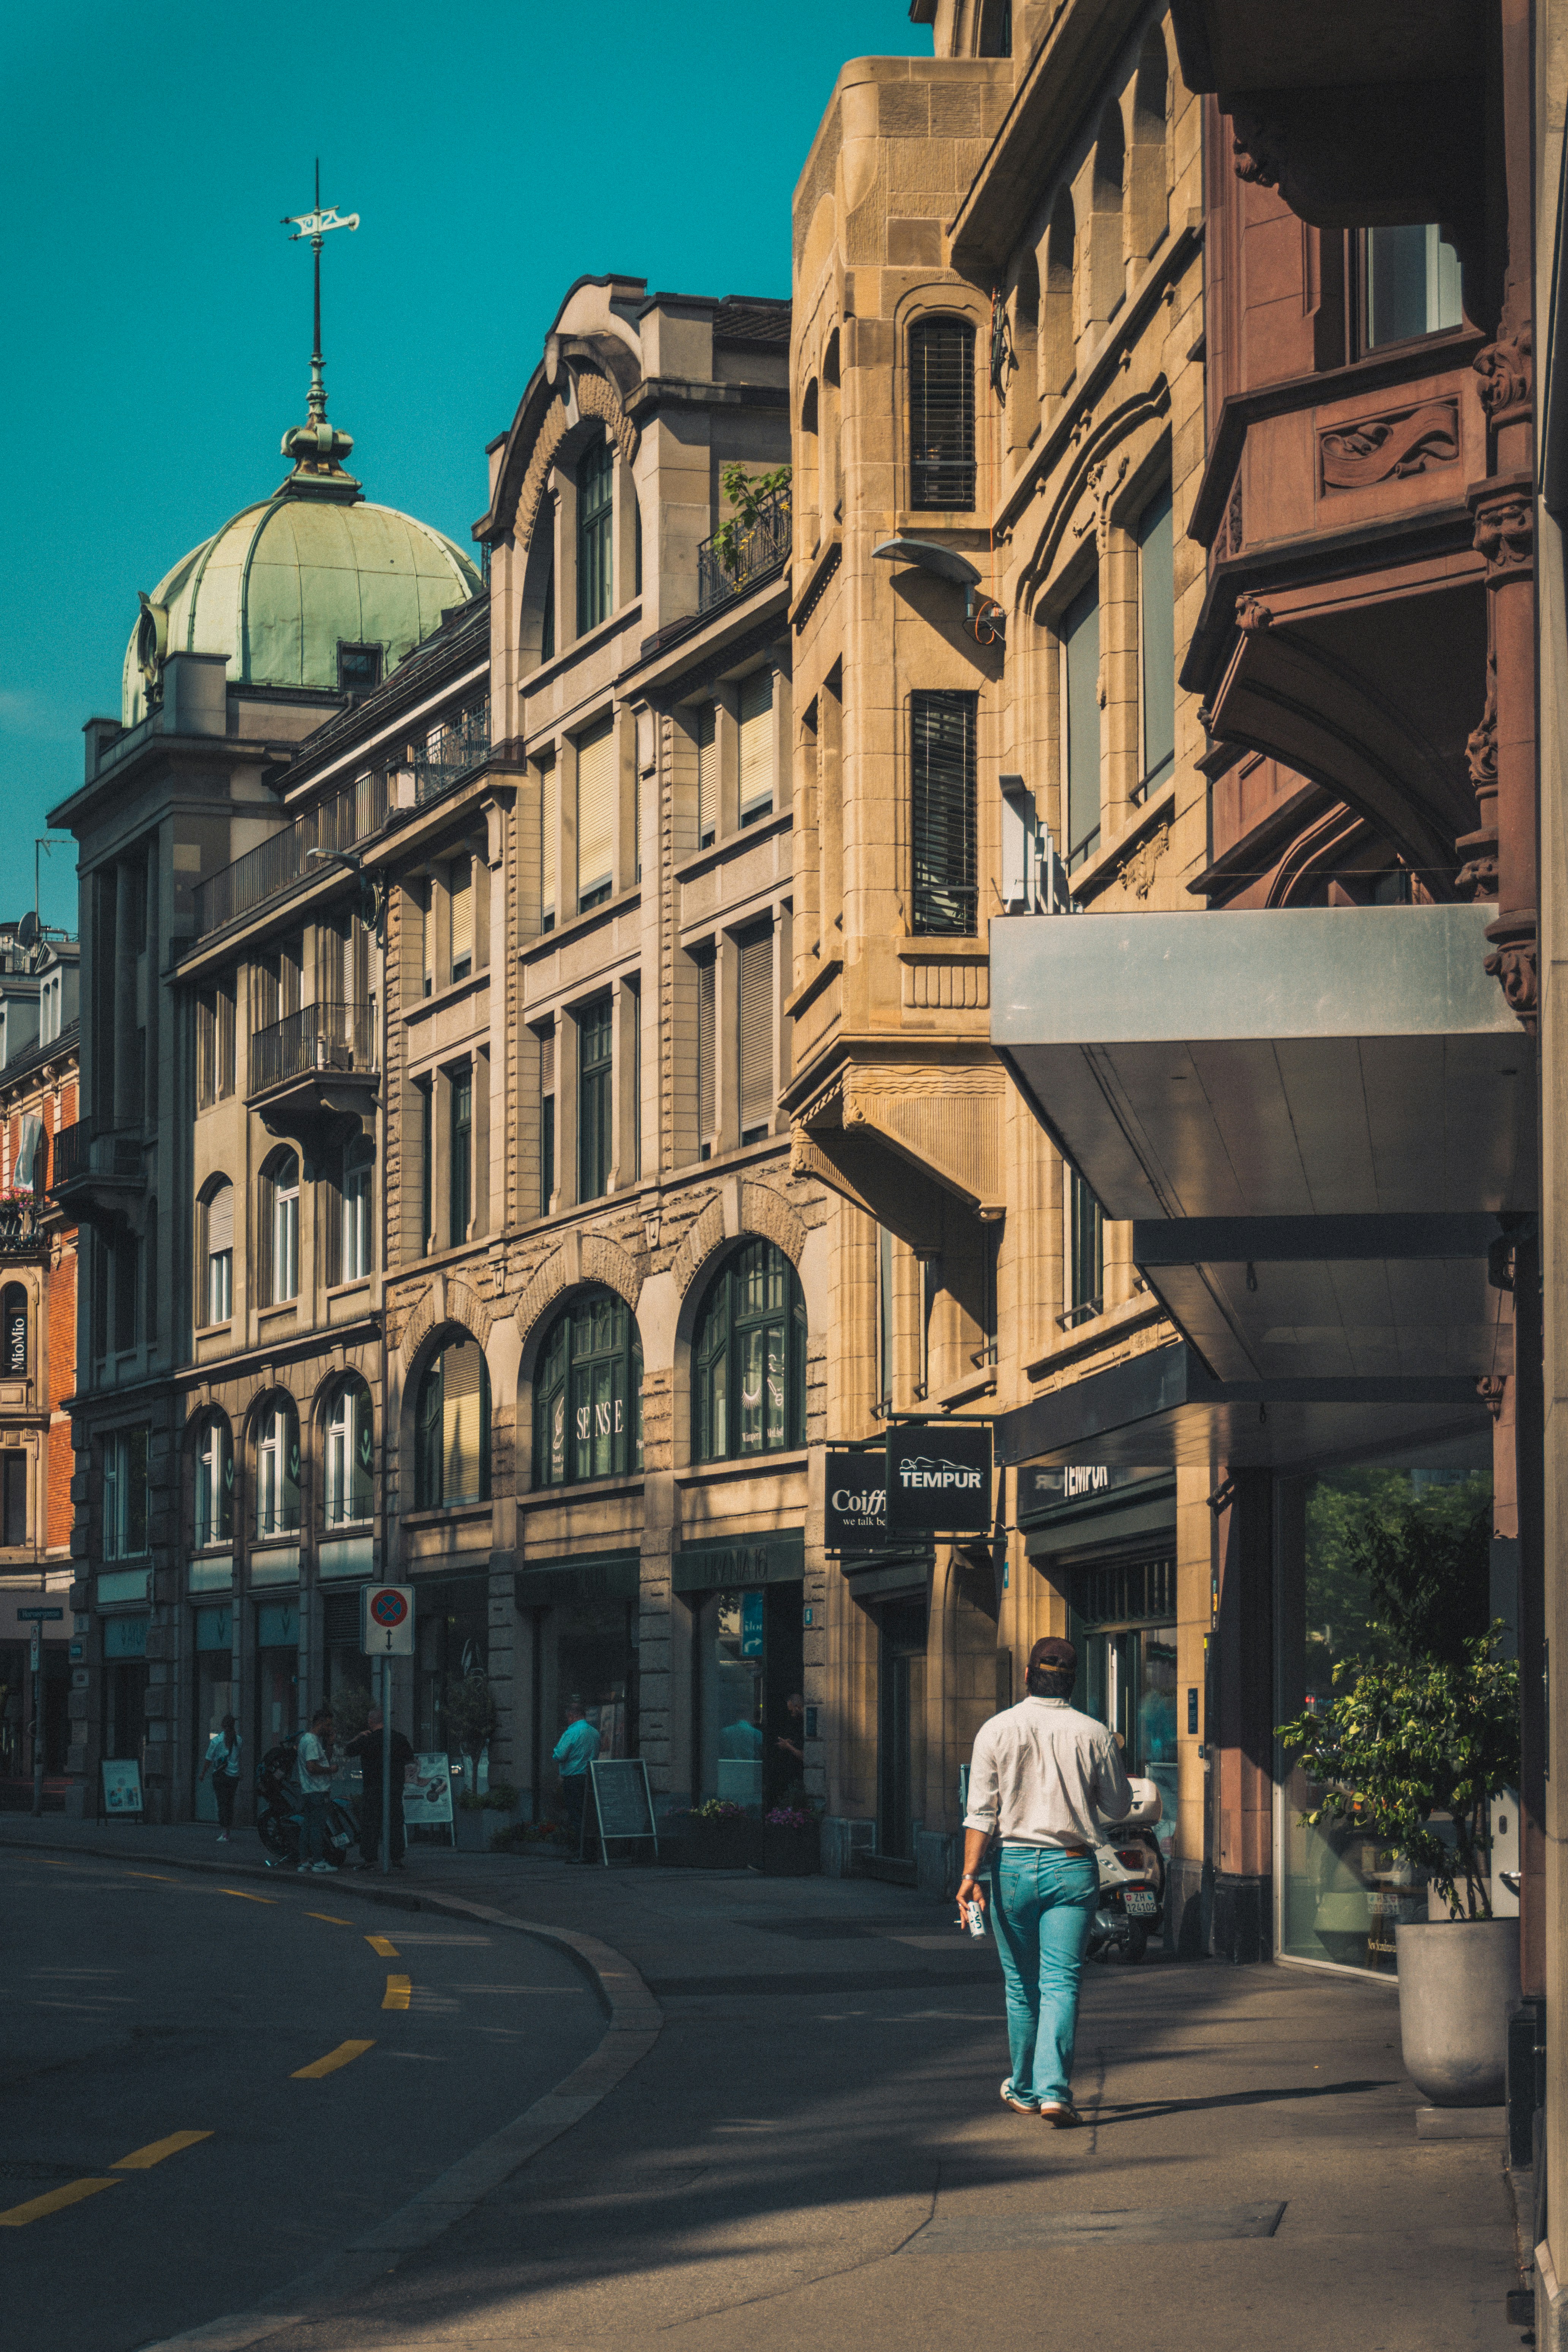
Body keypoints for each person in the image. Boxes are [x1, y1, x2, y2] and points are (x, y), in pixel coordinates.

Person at [957, 1636, 1131, 2127]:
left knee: (1022, 1986)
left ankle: (1025, 2087)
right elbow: (1118, 1807)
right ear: (1072, 1682)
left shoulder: (996, 1730)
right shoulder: (1095, 1734)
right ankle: (1055, 2090)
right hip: (1073, 1866)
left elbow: (981, 1814)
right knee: (1062, 1982)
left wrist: (970, 1876)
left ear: (1029, 1676)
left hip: (1012, 1867)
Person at [343, 1707, 416, 1868]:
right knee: (395, 1821)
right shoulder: (398, 1738)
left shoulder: (368, 1740)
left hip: (373, 1786)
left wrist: (357, 1738)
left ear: (371, 1721)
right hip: (394, 1786)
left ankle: (370, 1859)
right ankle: (396, 1857)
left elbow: (348, 1751)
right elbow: (410, 1759)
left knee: (371, 1823)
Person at [553, 1702, 600, 1856]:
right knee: (589, 1815)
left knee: (576, 1815)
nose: (568, 1721)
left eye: (568, 1718)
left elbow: (559, 1755)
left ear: (572, 1717)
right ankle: (592, 1850)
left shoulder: (572, 1733)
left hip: (573, 1779)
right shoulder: (594, 1733)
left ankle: (580, 1851)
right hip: (589, 1777)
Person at [294, 1707, 337, 1874]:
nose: (330, 1728)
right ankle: (319, 1862)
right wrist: (331, 1770)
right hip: (317, 1790)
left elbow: (324, 1761)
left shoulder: (309, 1740)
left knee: (308, 1826)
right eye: (328, 1725)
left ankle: (304, 1861)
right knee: (317, 1827)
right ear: (321, 1723)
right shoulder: (312, 1741)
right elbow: (312, 1767)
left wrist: (331, 1744)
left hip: (309, 1790)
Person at [199, 1713, 242, 1843]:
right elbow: (239, 1758)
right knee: (230, 1803)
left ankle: (225, 1832)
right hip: (234, 1776)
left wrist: (203, 1774)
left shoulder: (217, 1741)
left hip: (221, 1776)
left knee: (222, 1803)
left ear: (223, 1726)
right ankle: (228, 1830)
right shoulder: (239, 1740)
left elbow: (209, 1759)